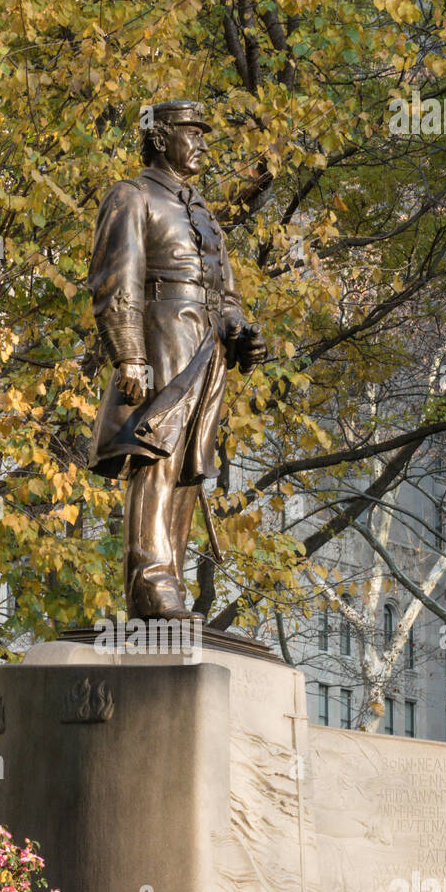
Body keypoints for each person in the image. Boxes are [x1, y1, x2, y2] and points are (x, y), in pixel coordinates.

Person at [87, 100, 266, 620]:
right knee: (155, 456)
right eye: (193, 130)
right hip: (162, 338)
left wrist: (241, 332)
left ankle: (173, 585)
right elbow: (113, 282)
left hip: (207, 346)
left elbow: (224, 292)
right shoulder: (132, 196)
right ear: (161, 138)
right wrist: (130, 357)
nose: (204, 142)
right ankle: (151, 584)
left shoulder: (204, 213)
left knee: (191, 467)